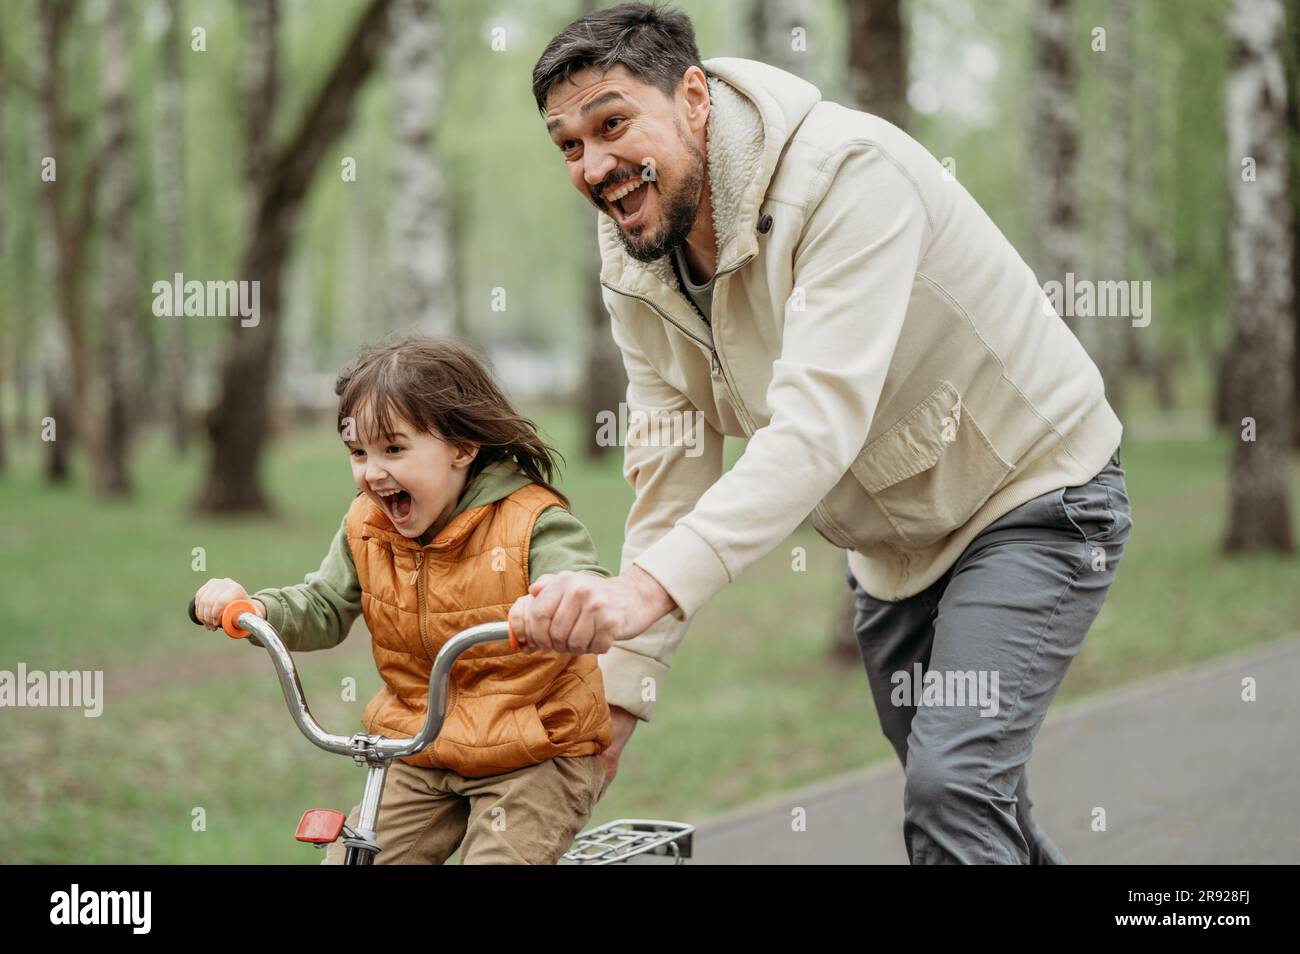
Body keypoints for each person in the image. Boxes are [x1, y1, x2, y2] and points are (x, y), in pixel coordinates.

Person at [513, 2, 1133, 863]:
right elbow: (670, 481)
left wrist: (645, 592)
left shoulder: (847, 173)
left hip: (1033, 494)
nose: (594, 165)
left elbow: (816, 425)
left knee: (952, 788)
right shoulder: (636, 260)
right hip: (891, 554)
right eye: (569, 145)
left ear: (693, 96)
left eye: (613, 124)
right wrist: (612, 712)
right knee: (971, 808)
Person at [192, 335, 613, 864]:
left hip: (536, 752)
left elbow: (583, 583)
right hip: (423, 747)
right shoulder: (367, 527)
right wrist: (254, 609)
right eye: (358, 452)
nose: (372, 471)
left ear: (462, 448)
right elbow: (323, 605)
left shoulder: (533, 523)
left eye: (394, 448)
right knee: (355, 862)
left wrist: (564, 601)